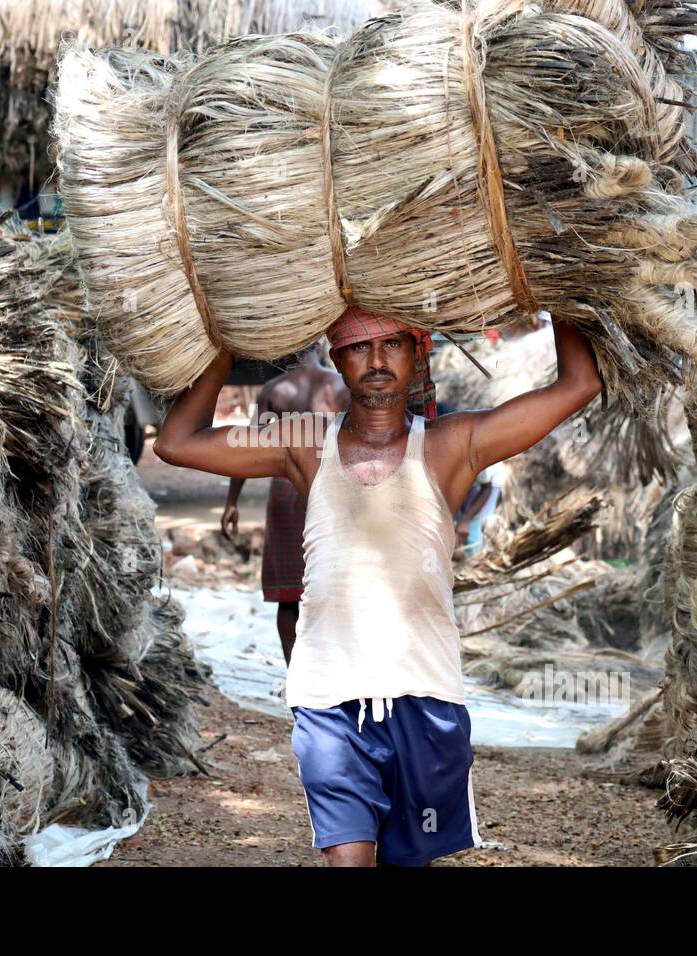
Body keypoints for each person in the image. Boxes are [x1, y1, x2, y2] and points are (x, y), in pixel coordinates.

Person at [153, 306, 602, 867]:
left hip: (427, 698)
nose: (377, 360)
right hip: (328, 701)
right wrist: (227, 339)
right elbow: (176, 442)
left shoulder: (450, 444)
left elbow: (579, 385)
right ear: (337, 359)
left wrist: (558, 292)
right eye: (360, 347)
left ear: (418, 355)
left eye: (393, 344)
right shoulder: (306, 443)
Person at [221, 342, 349, 664]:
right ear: (319, 347)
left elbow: (249, 446)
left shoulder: (274, 390)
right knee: (336, 587)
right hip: (330, 488)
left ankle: (296, 676)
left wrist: (232, 502)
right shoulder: (341, 385)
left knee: (290, 597)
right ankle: (335, 671)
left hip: (285, 489)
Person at [453, 461, 502, 557]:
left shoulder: (477, 461)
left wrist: (465, 520)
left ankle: (473, 558)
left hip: (489, 485)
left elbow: (487, 489)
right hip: (470, 481)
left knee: (475, 528)